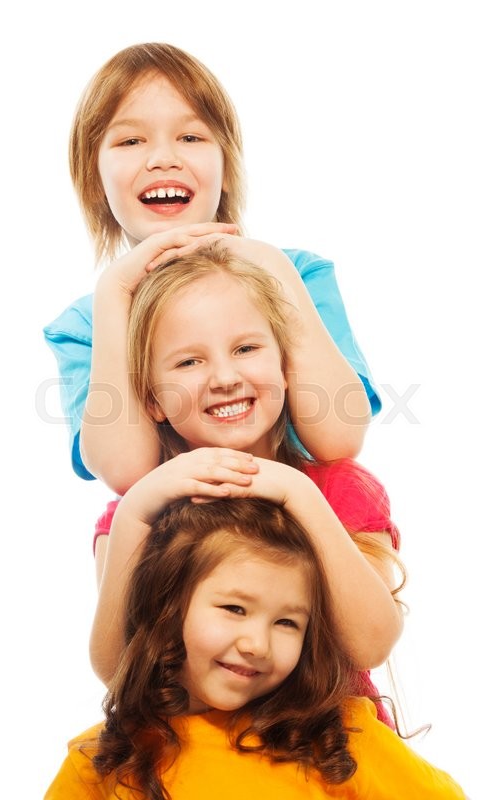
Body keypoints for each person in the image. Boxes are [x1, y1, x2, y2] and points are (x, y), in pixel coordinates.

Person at [43, 42, 379, 563]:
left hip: (305, 521)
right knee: (119, 522)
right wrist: (115, 294)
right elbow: (129, 473)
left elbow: (338, 437)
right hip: (188, 535)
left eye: (191, 136)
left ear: (226, 166)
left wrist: (270, 267)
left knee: (354, 484)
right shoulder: (89, 322)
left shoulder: (295, 273)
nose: (162, 157)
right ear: (95, 180)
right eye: (130, 140)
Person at [90, 244, 404, 719]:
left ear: (283, 367)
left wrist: (296, 493)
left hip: (334, 766)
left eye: (246, 349)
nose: (224, 377)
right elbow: (117, 669)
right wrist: (137, 510)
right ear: (152, 400)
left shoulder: (341, 490)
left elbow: (370, 646)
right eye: (188, 362)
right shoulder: (134, 514)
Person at [44, 497, 466, 800]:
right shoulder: (101, 761)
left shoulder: (340, 738)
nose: (257, 644)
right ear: (167, 607)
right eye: (234, 608)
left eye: (287, 622)